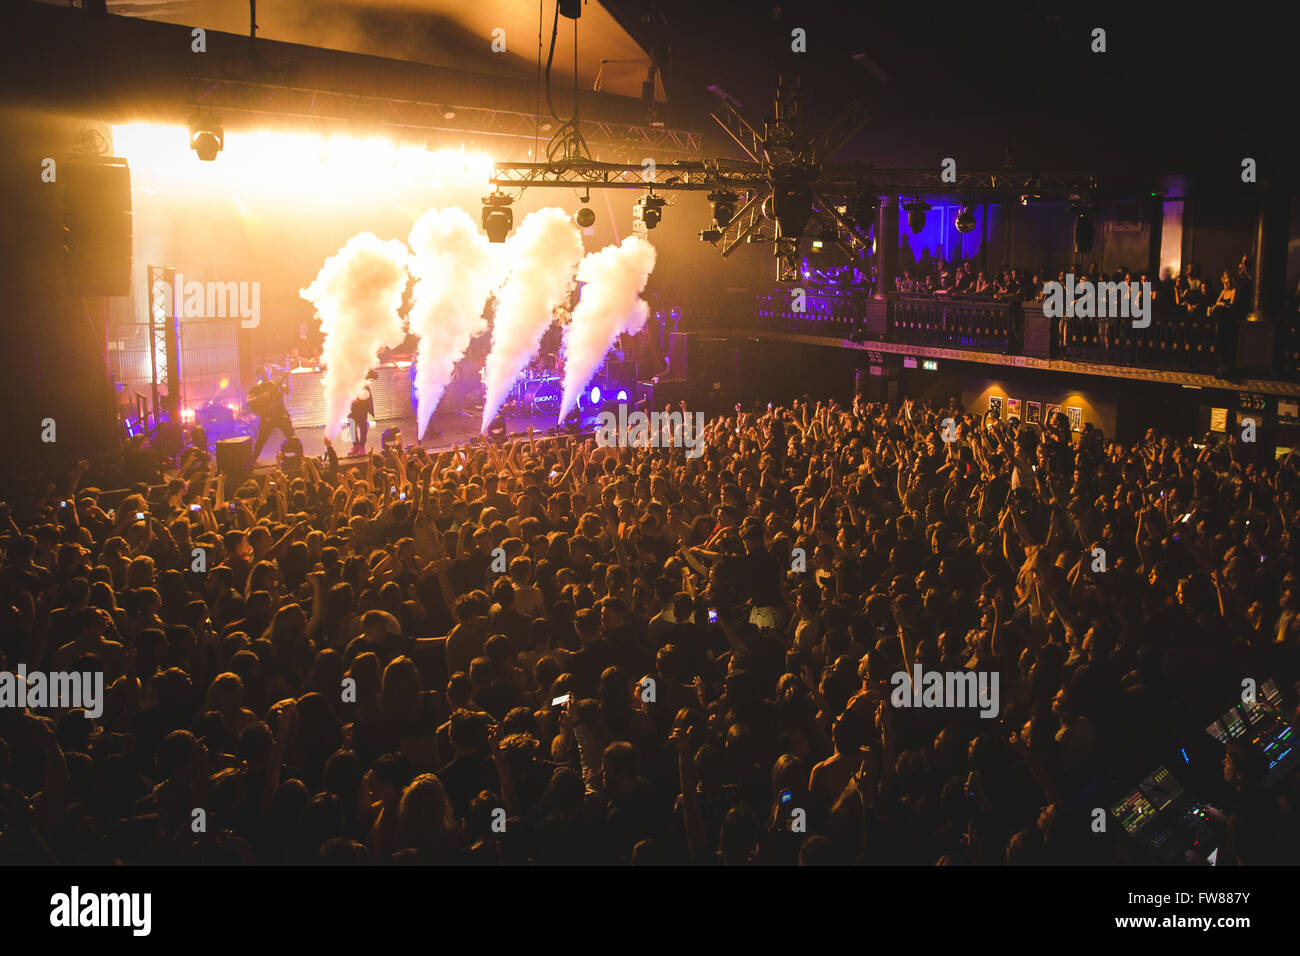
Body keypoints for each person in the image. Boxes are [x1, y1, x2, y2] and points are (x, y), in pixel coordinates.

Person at [248, 367, 295, 462]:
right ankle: (252, 460)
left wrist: (288, 378)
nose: (265, 374)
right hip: (267, 417)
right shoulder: (256, 389)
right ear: (259, 376)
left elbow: (288, 391)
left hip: (281, 415)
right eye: (262, 373)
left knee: (292, 437)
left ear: (269, 373)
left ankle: (299, 457)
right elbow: (249, 401)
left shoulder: (277, 384)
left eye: (266, 372)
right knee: (261, 440)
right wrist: (261, 397)